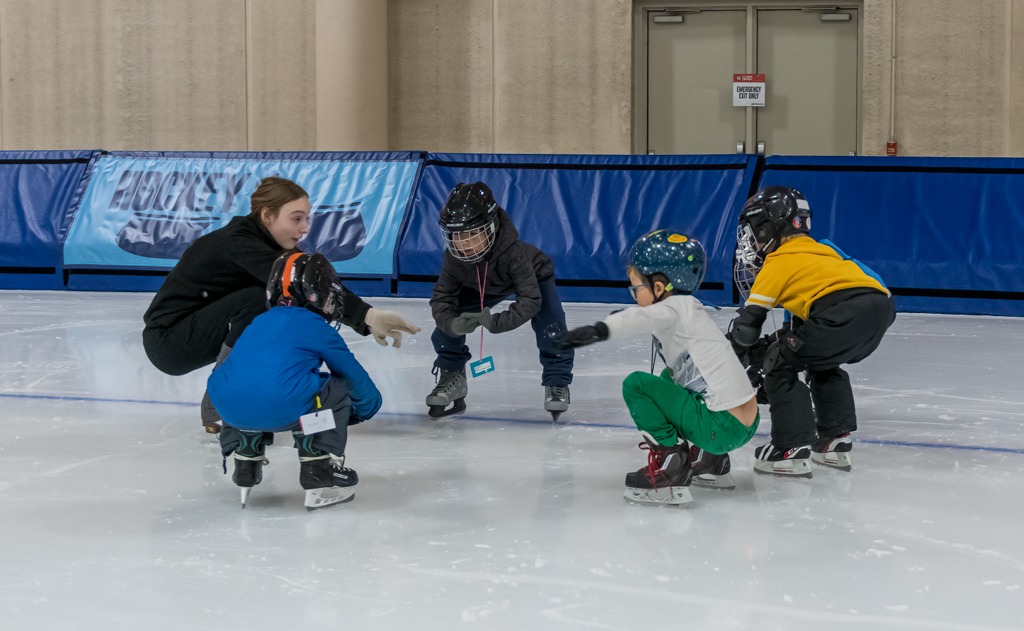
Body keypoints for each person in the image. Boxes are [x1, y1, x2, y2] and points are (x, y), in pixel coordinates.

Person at [142, 177, 419, 433]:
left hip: (191, 330)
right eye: (296, 218)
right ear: (267, 215)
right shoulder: (239, 244)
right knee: (258, 299)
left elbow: (314, 281)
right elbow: (306, 284)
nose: (305, 228)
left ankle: (234, 398)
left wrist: (368, 316)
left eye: (306, 218)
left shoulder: (268, 246)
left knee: (278, 298)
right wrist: (366, 315)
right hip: (169, 341)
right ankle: (220, 404)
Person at [559, 230, 759, 507]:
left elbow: (639, 318)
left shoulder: (674, 307)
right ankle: (713, 462)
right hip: (745, 421)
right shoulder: (691, 309)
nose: (633, 295)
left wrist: (597, 330)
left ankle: (673, 464)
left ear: (659, 287)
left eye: (636, 288)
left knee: (637, 385)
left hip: (721, 427)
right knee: (670, 378)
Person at [727, 186, 895, 477]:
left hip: (838, 313)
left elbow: (745, 328)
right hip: (879, 309)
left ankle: (789, 449)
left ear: (768, 227)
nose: (751, 239)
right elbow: (797, 331)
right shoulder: (824, 251)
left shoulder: (778, 260)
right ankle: (834, 439)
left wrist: (726, 364)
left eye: (753, 230)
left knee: (779, 364)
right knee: (819, 360)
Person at [207, 251, 382, 511]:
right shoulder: (316, 326)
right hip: (283, 405)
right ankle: (317, 467)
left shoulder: (258, 321)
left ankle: (246, 462)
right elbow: (353, 376)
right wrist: (363, 411)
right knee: (331, 389)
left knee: (251, 386)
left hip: (225, 404)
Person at [426, 181, 574, 421]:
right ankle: (452, 375)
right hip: (480, 284)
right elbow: (441, 297)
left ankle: (557, 382)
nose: (463, 244)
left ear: (490, 227)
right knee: (446, 323)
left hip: (533, 276)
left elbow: (530, 300)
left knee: (551, 324)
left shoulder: (514, 254)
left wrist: (495, 322)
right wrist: (451, 324)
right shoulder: (454, 258)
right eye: (457, 236)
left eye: (472, 234)